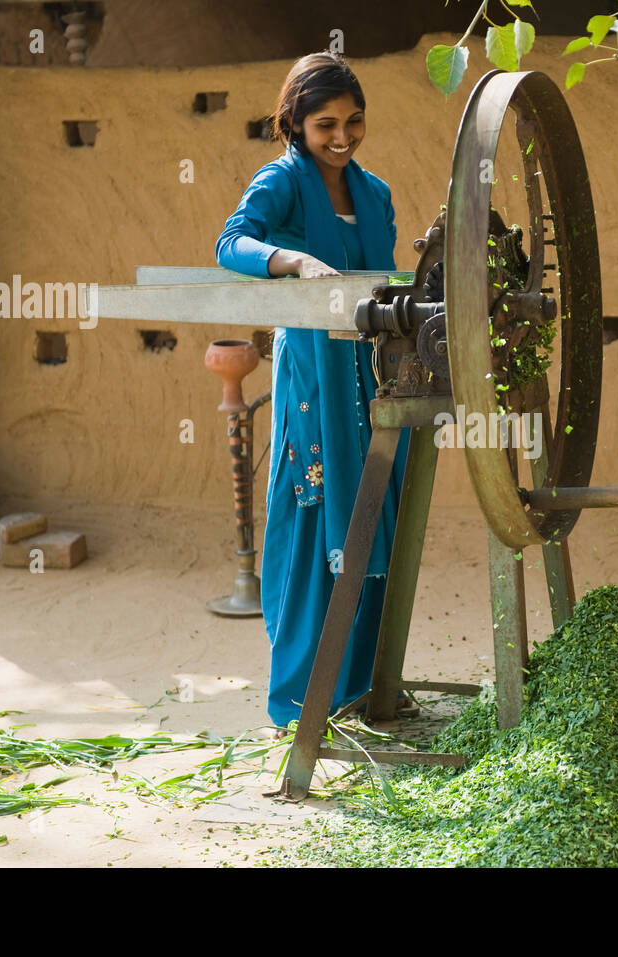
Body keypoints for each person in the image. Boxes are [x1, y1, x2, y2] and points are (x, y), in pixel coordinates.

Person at [215, 52, 414, 733]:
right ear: (295, 123)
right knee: (316, 506)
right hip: (315, 380)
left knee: (376, 505)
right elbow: (230, 242)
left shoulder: (376, 193)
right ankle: (303, 698)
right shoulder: (283, 183)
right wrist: (292, 259)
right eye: (325, 122)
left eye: (354, 121)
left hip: (376, 373)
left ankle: (361, 684)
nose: (342, 136)